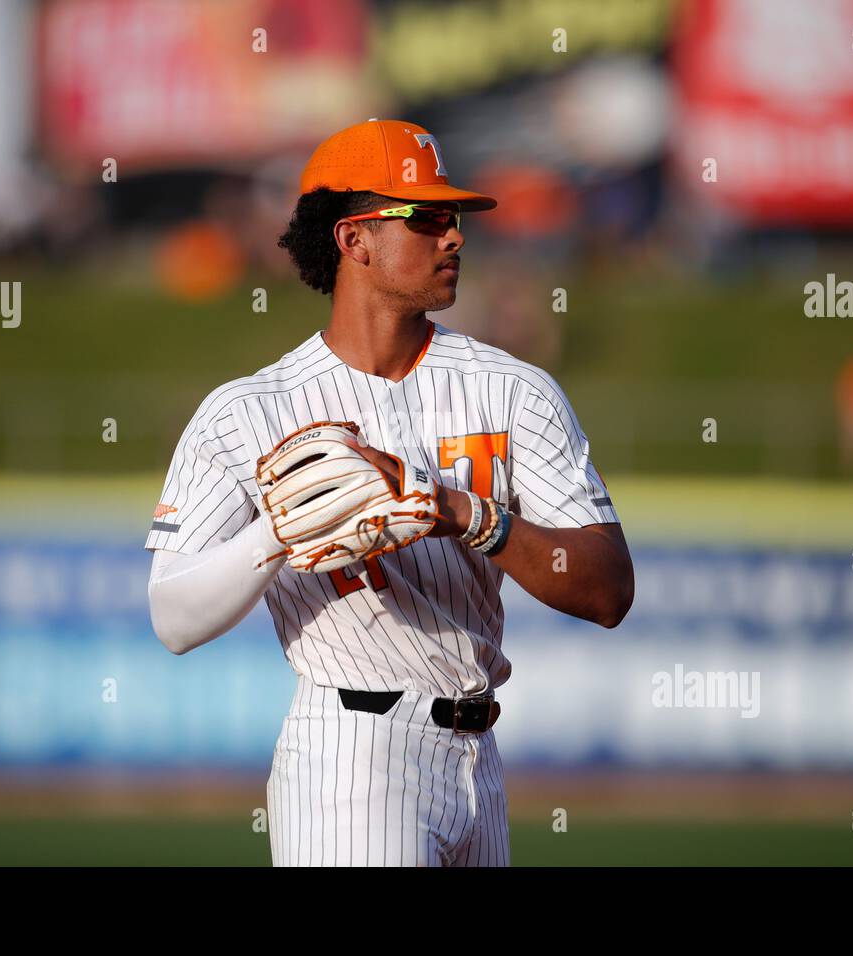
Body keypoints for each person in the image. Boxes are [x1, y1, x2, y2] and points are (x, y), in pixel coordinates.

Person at [145, 119, 633, 867]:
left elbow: (607, 591)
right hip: (350, 755)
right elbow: (173, 618)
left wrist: (465, 513)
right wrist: (276, 532)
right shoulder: (251, 410)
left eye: (456, 219)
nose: (455, 238)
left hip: (478, 757)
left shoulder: (513, 392)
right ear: (354, 239)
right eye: (428, 217)